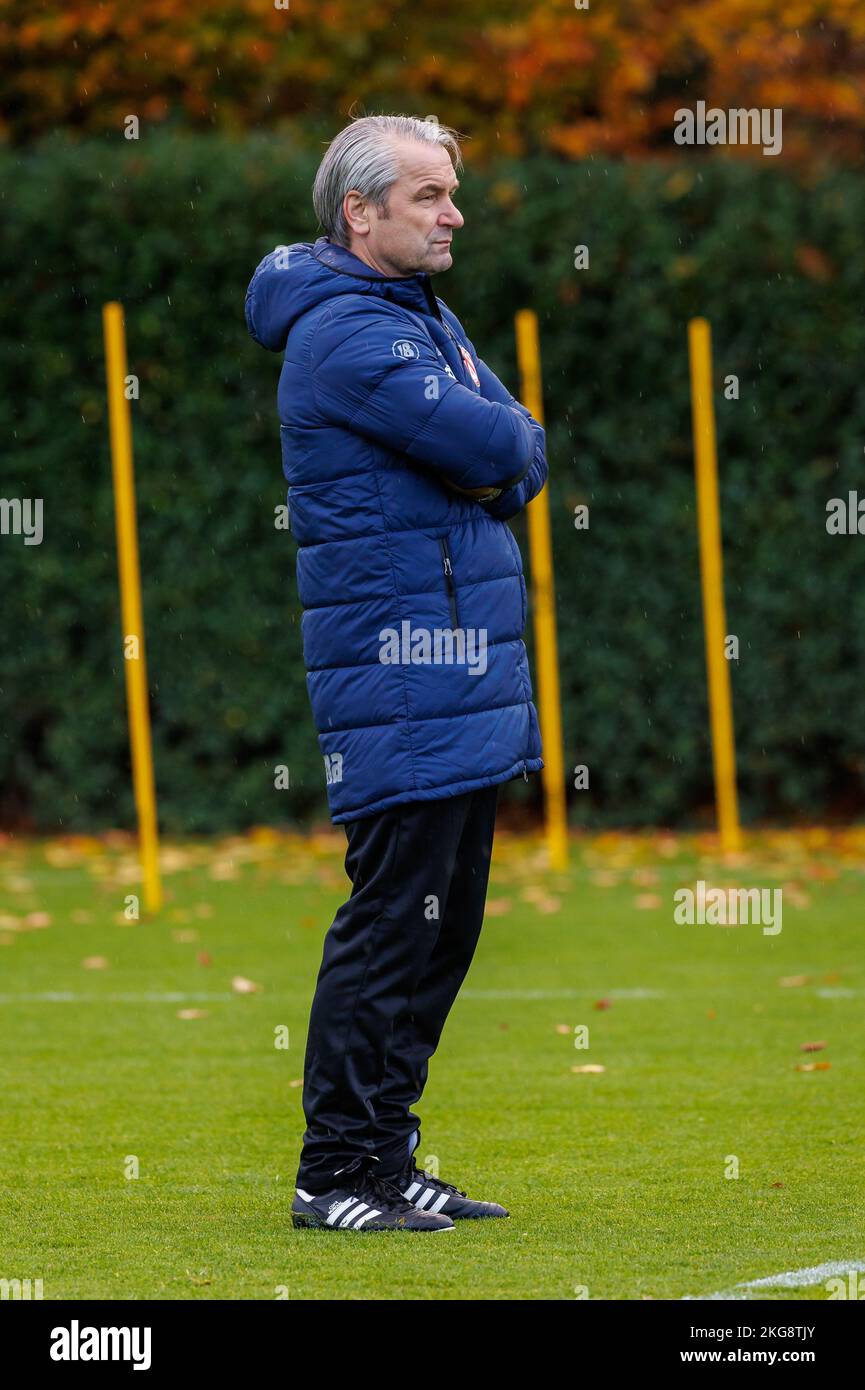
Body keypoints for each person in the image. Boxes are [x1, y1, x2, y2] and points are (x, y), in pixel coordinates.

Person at [245, 113, 548, 1232]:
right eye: (428, 196)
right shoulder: (348, 335)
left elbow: (518, 446)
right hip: (402, 679)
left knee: (443, 923)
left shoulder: (413, 311)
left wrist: (504, 447)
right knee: (393, 924)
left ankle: (385, 1153)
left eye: (451, 192)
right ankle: (334, 1174)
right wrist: (501, 449)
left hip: (461, 676)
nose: (454, 213)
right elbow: (497, 449)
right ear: (358, 213)